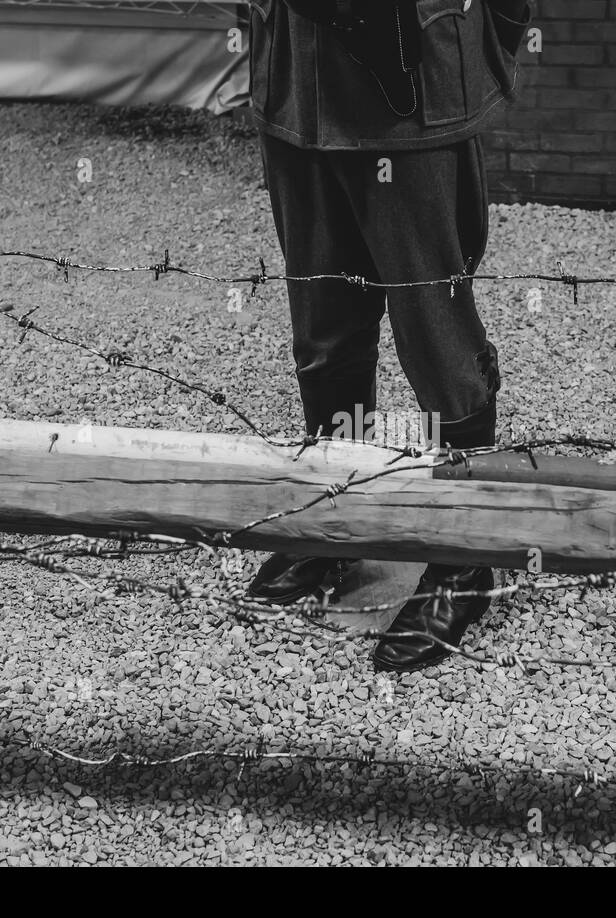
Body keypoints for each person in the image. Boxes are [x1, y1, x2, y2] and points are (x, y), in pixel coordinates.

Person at [245, 0, 532, 672]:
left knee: (436, 340)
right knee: (323, 332)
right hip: (297, 84)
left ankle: (464, 558)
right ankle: (338, 515)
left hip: (410, 91)